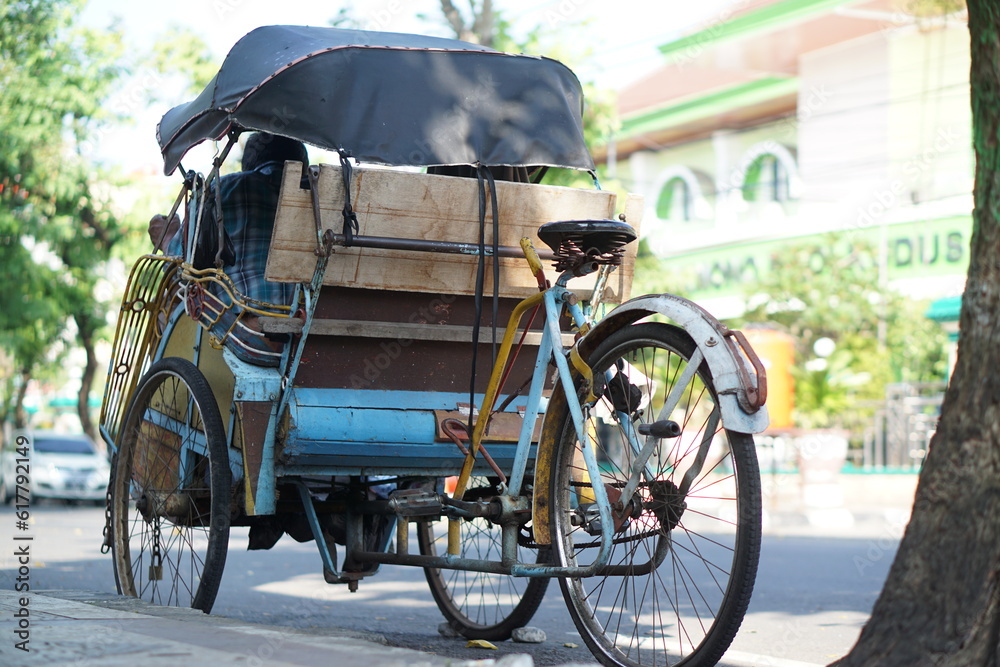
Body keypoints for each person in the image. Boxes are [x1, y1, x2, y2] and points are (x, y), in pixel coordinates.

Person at [150, 131, 308, 309]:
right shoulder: (324, 198)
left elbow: (178, 278)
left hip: (236, 321)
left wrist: (166, 238)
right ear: (303, 165)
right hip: (311, 319)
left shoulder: (221, 189)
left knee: (163, 308)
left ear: (248, 165)